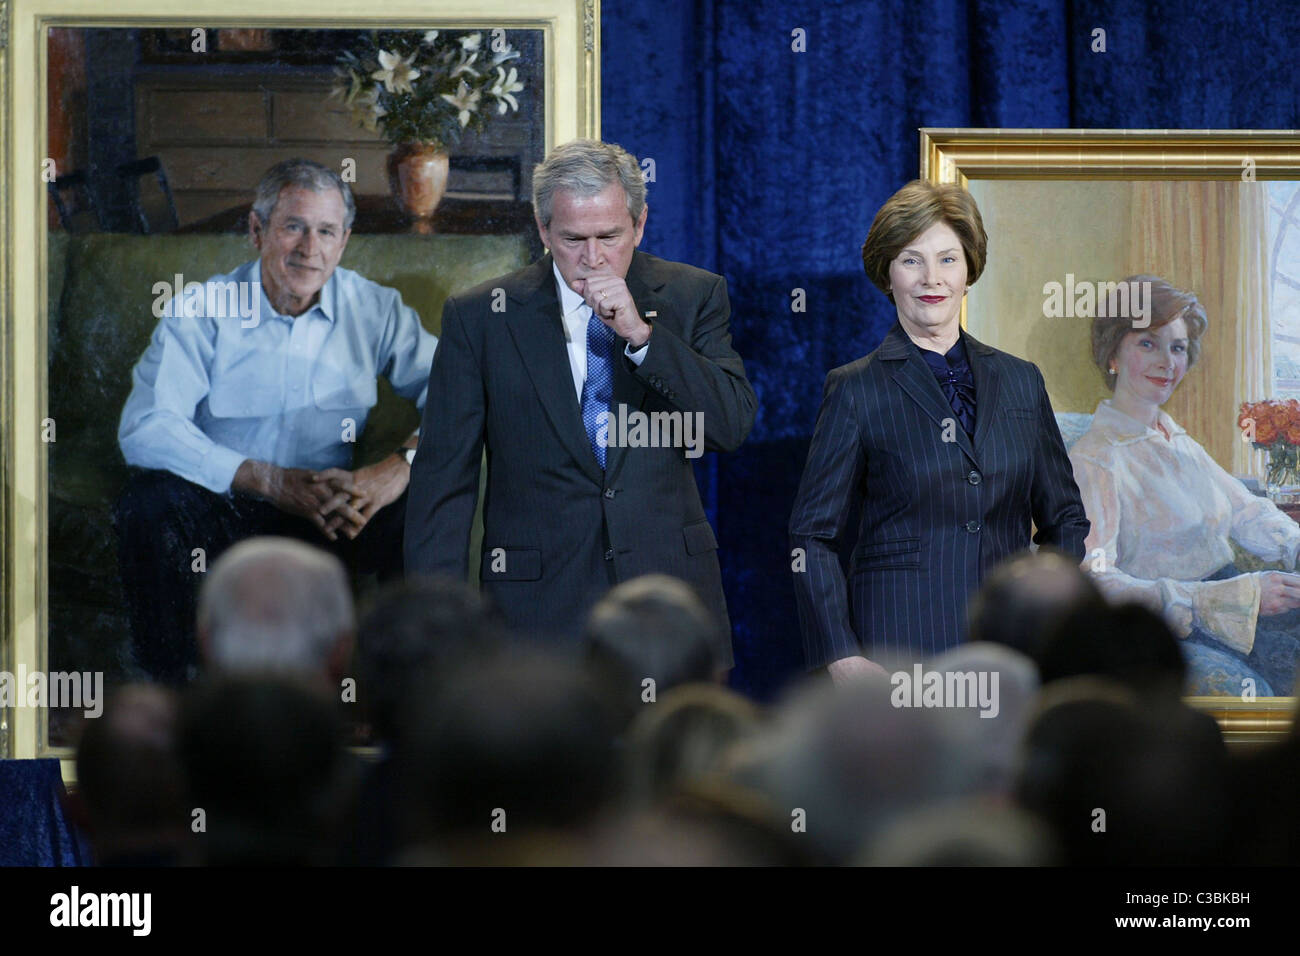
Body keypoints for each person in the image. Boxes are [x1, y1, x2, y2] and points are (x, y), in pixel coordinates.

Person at [404, 139, 756, 666]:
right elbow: (442, 484)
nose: (592, 258)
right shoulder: (480, 317)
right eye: (572, 238)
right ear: (543, 230)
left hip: (666, 607)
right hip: (533, 614)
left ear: (639, 225)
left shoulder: (692, 296)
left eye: (609, 236)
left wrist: (642, 337)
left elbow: (728, 425)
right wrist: (434, 633)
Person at [114, 158, 436, 685]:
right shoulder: (203, 309)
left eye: (326, 231)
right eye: (293, 227)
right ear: (256, 230)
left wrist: (400, 465)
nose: (310, 248)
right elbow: (145, 425)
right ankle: (172, 695)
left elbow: (460, 390)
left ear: (344, 240)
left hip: (328, 512)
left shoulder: (375, 309)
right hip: (224, 508)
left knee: (421, 499)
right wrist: (264, 478)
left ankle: (405, 696)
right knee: (146, 506)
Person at [789, 180, 1089, 684]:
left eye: (948, 259)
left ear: (970, 269)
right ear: (887, 273)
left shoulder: (1021, 380)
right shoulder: (854, 389)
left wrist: (1045, 622)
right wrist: (840, 654)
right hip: (898, 651)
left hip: (1008, 653)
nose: (933, 278)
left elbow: (1065, 519)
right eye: (912, 260)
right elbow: (811, 537)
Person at [1068, 275, 1300, 695]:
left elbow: (1245, 510)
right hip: (1175, 628)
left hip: (1239, 603)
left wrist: (1294, 545)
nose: (1167, 362)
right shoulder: (1096, 459)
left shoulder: (1177, 440)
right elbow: (1095, 581)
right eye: (1148, 343)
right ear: (1112, 355)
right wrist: (1226, 599)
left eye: (1177, 347)